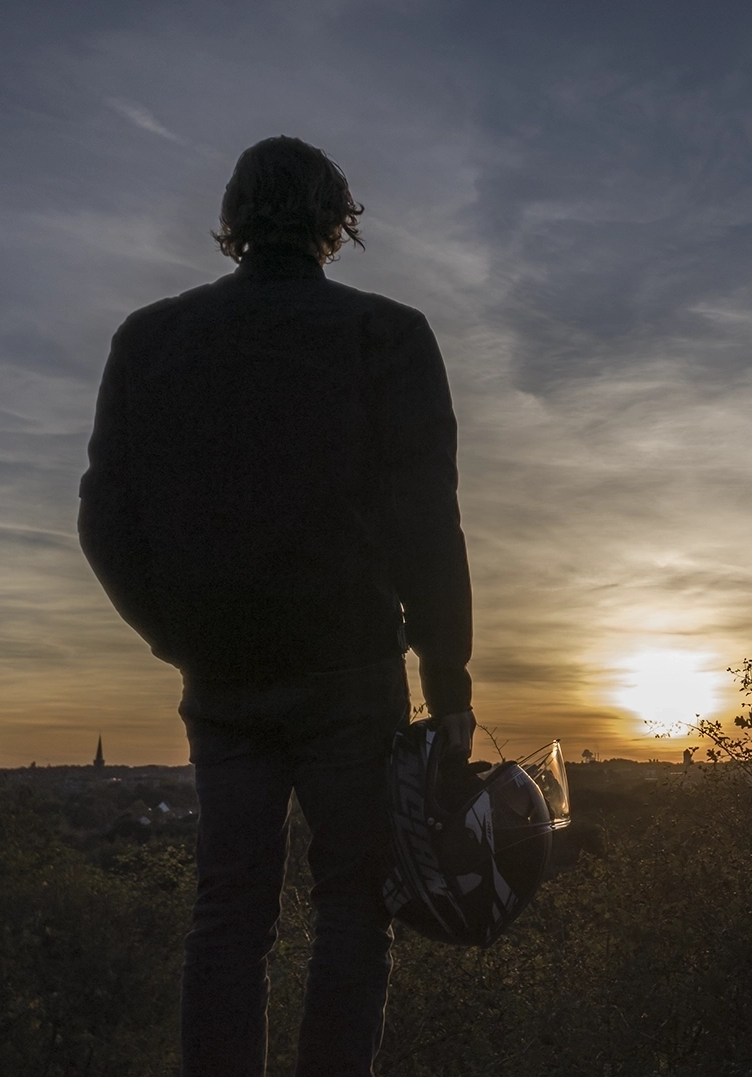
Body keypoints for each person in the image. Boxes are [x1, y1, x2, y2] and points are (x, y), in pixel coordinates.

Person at [78, 135, 472, 1077]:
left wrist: (183, 637)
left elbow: (104, 521)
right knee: (351, 907)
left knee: (228, 912)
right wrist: (448, 679)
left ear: (235, 220)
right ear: (337, 220)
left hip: (224, 678)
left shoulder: (150, 338)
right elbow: (427, 521)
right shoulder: (389, 334)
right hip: (351, 673)